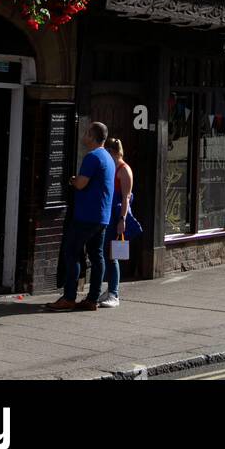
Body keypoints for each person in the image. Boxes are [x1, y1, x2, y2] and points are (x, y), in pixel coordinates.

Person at [47, 120, 116, 312]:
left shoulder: (92, 157)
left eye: (86, 133)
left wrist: (73, 180)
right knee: (96, 256)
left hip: (86, 216)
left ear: (92, 136)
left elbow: (81, 184)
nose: (84, 136)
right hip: (102, 215)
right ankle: (92, 299)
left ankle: (69, 297)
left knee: (72, 252)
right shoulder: (108, 157)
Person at [100, 138, 139, 308]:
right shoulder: (111, 167)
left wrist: (122, 220)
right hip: (107, 215)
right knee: (104, 252)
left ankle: (114, 294)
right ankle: (109, 289)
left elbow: (126, 198)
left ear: (113, 151)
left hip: (116, 216)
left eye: (107, 151)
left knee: (112, 254)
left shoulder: (124, 170)